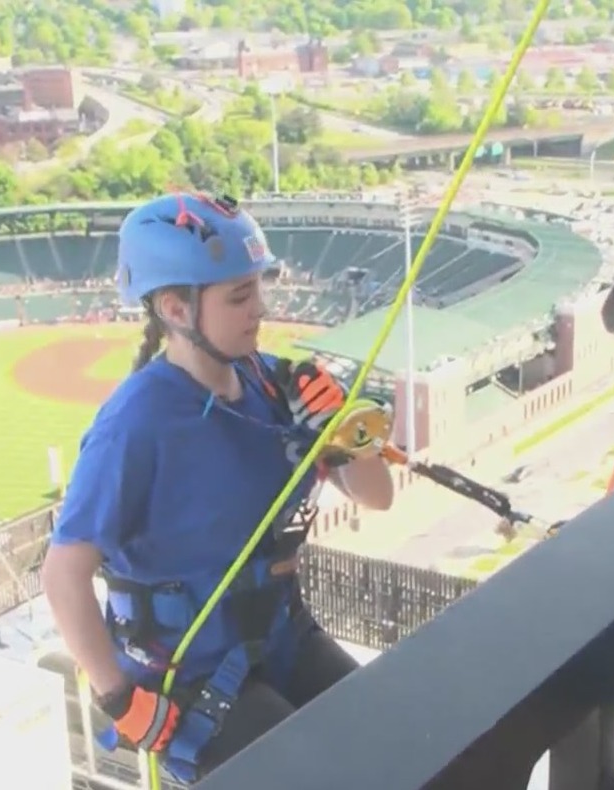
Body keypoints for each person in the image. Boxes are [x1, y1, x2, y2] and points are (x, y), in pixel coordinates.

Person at [42, 192, 396, 784]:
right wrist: (119, 699)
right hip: (191, 677)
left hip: (282, 638)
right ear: (177, 308)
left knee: (399, 740)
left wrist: (341, 436)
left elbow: (377, 496)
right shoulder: (136, 424)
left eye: (257, 287)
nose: (261, 308)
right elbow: (63, 575)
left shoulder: (275, 385)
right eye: (239, 296)